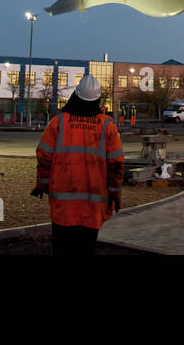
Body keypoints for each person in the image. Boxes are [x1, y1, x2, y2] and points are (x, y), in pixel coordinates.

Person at [32, 74, 124, 254]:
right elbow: (116, 165)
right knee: (86, 249)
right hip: (93, 204)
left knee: (62, 248)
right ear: (97, 100)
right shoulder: (107, 127)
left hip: (63, 206)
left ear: (76, 95)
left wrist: (41, 184)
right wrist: (115, 194)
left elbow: (44, 158)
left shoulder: (58, 123)